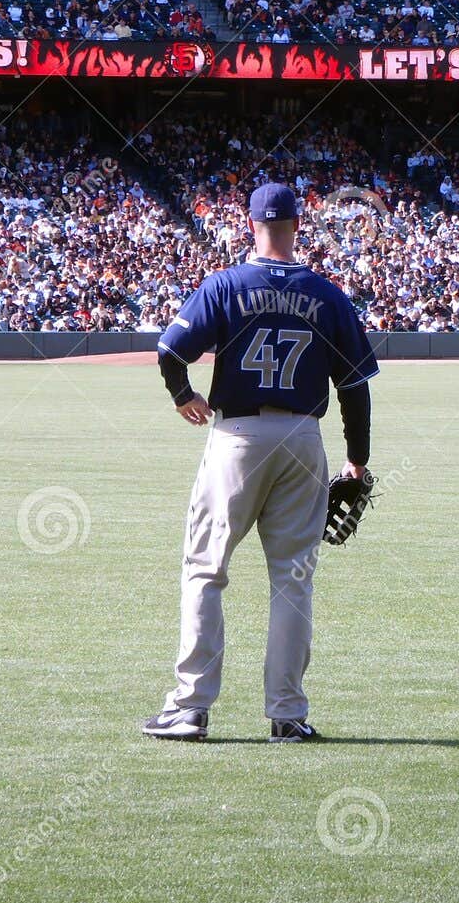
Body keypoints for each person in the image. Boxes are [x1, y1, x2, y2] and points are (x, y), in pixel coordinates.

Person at [142, 182, 378, 744]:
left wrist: (183, 395)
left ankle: (190, 709)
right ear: (298, 225)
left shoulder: (224, 284)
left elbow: (169, 350)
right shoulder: (328, 294)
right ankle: (288, 715)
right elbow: (356, 387)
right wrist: (357, 460)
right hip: (303, 439)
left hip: (238, 437)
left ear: (251, 224)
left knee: (206, 569)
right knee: (293, 580)